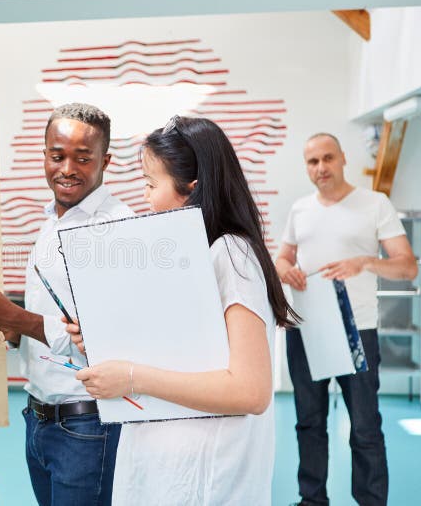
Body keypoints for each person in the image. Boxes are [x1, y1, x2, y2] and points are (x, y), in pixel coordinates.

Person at [68, 115, 299, 505]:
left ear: (191, 188)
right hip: (165, 464)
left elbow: (250, 391)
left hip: (207, 476)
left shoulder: (230, 253)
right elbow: (180, 352)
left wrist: (130, 376)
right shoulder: (191, 256)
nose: (145, 197)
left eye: (150, 184)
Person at [0, 103, 133, 505]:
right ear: (44, 155)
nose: (67, 168)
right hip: (39, 420)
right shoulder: (50, 221)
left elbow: (102, 339)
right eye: (57, 156)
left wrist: (8, 313)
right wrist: (3, 327)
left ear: (105, 161)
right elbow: (52, 323)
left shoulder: (118, 229)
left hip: (88, 424)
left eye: (82, 158)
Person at [275, 133, 417, 506]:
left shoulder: (374, 204)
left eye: (327, 158)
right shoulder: (300, 209)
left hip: (357, 333)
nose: (321, 168)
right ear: (306, 167)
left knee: (366, 426)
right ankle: (312, 500)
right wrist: (285, 269)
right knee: (308, 422)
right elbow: (282, 258)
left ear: (343, 159)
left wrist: (365, 262)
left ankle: (371, 501)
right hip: (307, 330)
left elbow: (407, 266)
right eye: (312, 162)